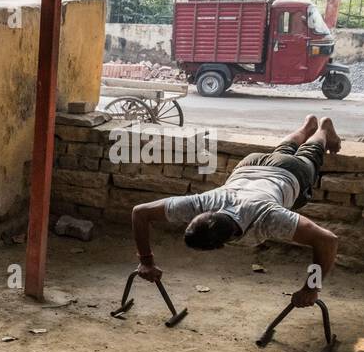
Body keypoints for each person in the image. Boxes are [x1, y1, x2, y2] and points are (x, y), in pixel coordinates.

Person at [132, 115, 341, 307]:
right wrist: (146, 261)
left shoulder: (268, 217)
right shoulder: (202, 203)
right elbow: (140, 212)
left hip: (287, 171)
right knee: (282, 152)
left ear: (223, 245)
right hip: (251, 165)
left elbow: (327, 240)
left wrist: (312, 287)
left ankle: (322, 128)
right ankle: (307, 126)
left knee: (311, 154)